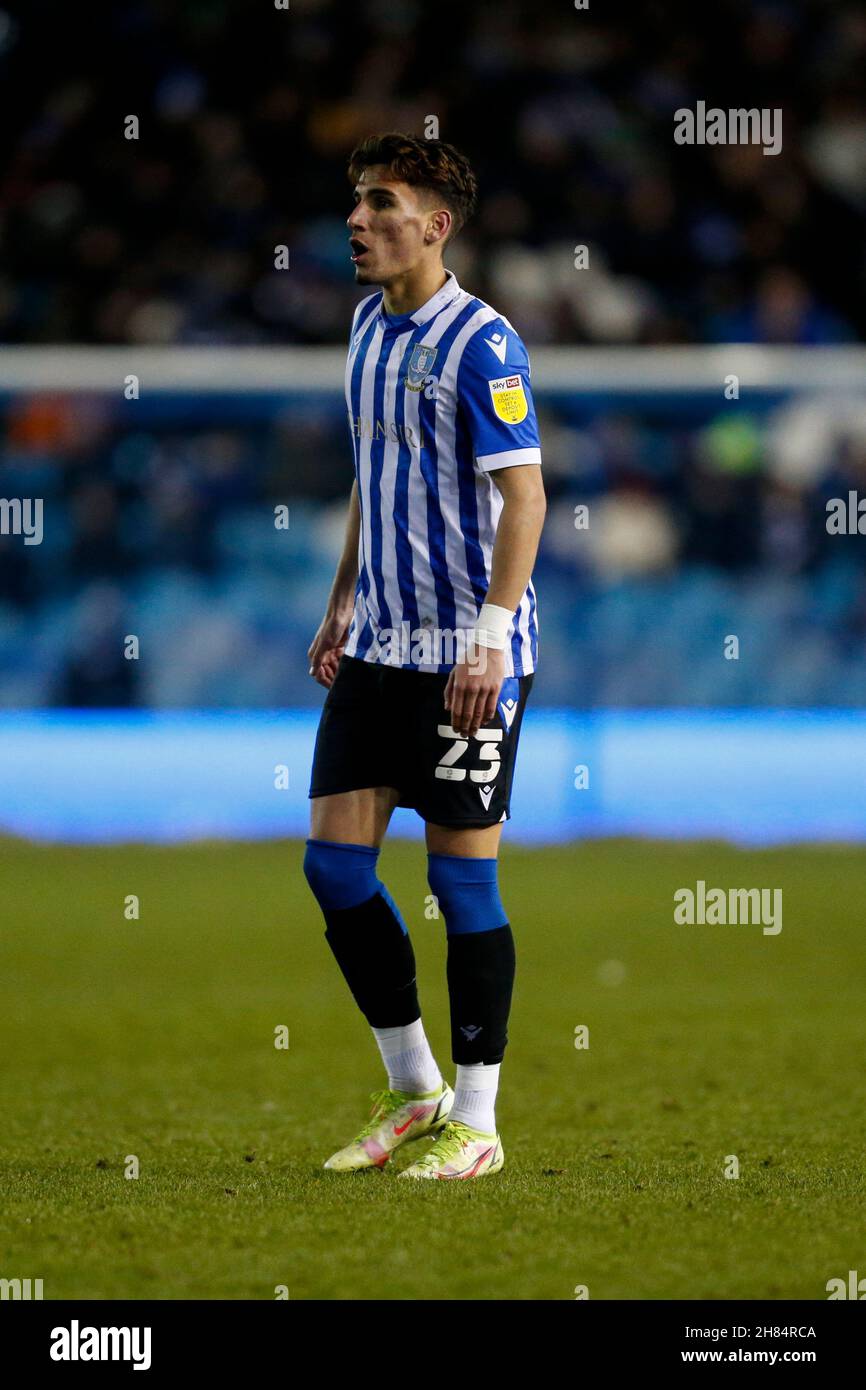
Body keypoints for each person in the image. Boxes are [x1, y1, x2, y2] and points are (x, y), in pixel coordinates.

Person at [304, 132, 546, 1180]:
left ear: (433, 226)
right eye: (355, 202)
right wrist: (340, 600)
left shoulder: (483, 344)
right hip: (378, 644)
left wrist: (490, 639)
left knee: (461, 889)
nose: (356, 221)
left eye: (379, 203)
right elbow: (372, 471)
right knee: (333, 867)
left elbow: (524, 496)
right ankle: (414, 1094)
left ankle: (480, 1124)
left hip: (463, 656)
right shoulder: (363, 325)